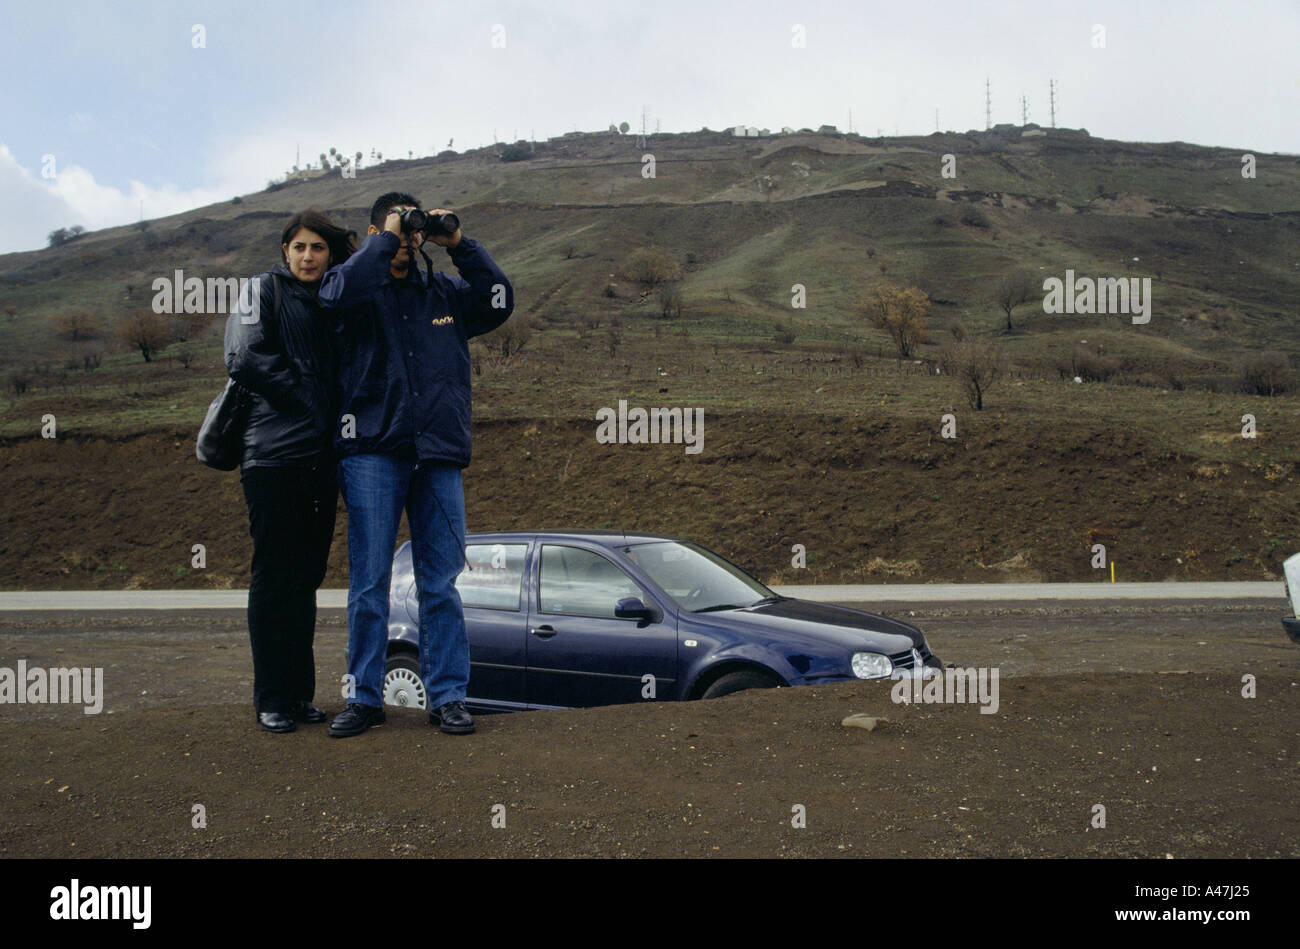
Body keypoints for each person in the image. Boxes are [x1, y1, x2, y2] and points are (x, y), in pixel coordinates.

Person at [318, 192, 513, 737]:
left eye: (414, 228)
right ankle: (363, 696)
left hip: (438, 454)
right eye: (396, 228)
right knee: (369, 582)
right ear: (376, 232)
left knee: (441, 583)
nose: (408, 237)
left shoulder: (444, 291)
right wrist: (384, 239)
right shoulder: (356, 292)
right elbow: (334, 294)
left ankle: (448, 696)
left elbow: (497, 300)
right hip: (372, 452)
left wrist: (460, 244)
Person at [224, 209, 357, 733]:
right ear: (285, 252)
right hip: (273, 457)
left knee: (306, 578)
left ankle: (300, 695)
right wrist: (310, 400)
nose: (307, 256)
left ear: (329, 254)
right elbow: (244, 356)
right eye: (298, 247)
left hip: (320, 460)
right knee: (276, 576)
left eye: (317, 248)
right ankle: (272, 698)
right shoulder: (260, 291)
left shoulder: (332, 300)